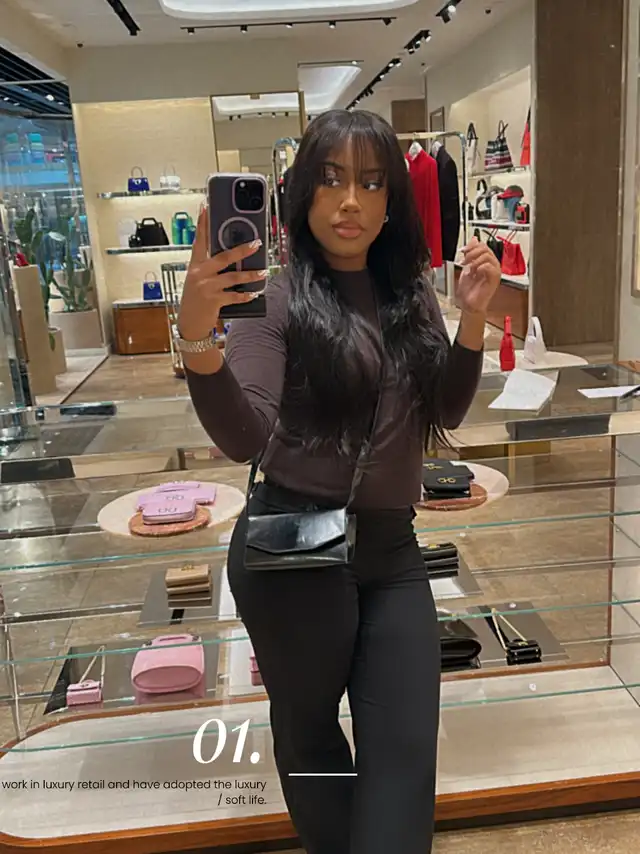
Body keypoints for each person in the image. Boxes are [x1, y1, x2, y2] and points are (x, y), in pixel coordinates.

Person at [178, 109, 501, 854]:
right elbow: (244, 437)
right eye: (330, 180)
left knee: (405, 755)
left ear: (392, 202)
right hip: (293, 550)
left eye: (371, 182)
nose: (350, 200)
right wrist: (198, 336)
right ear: (302, 193)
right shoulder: (276, 298)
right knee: (312, 741)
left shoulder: (409, 294)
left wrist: (473, 320)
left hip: (391, 552)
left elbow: (446, 410)